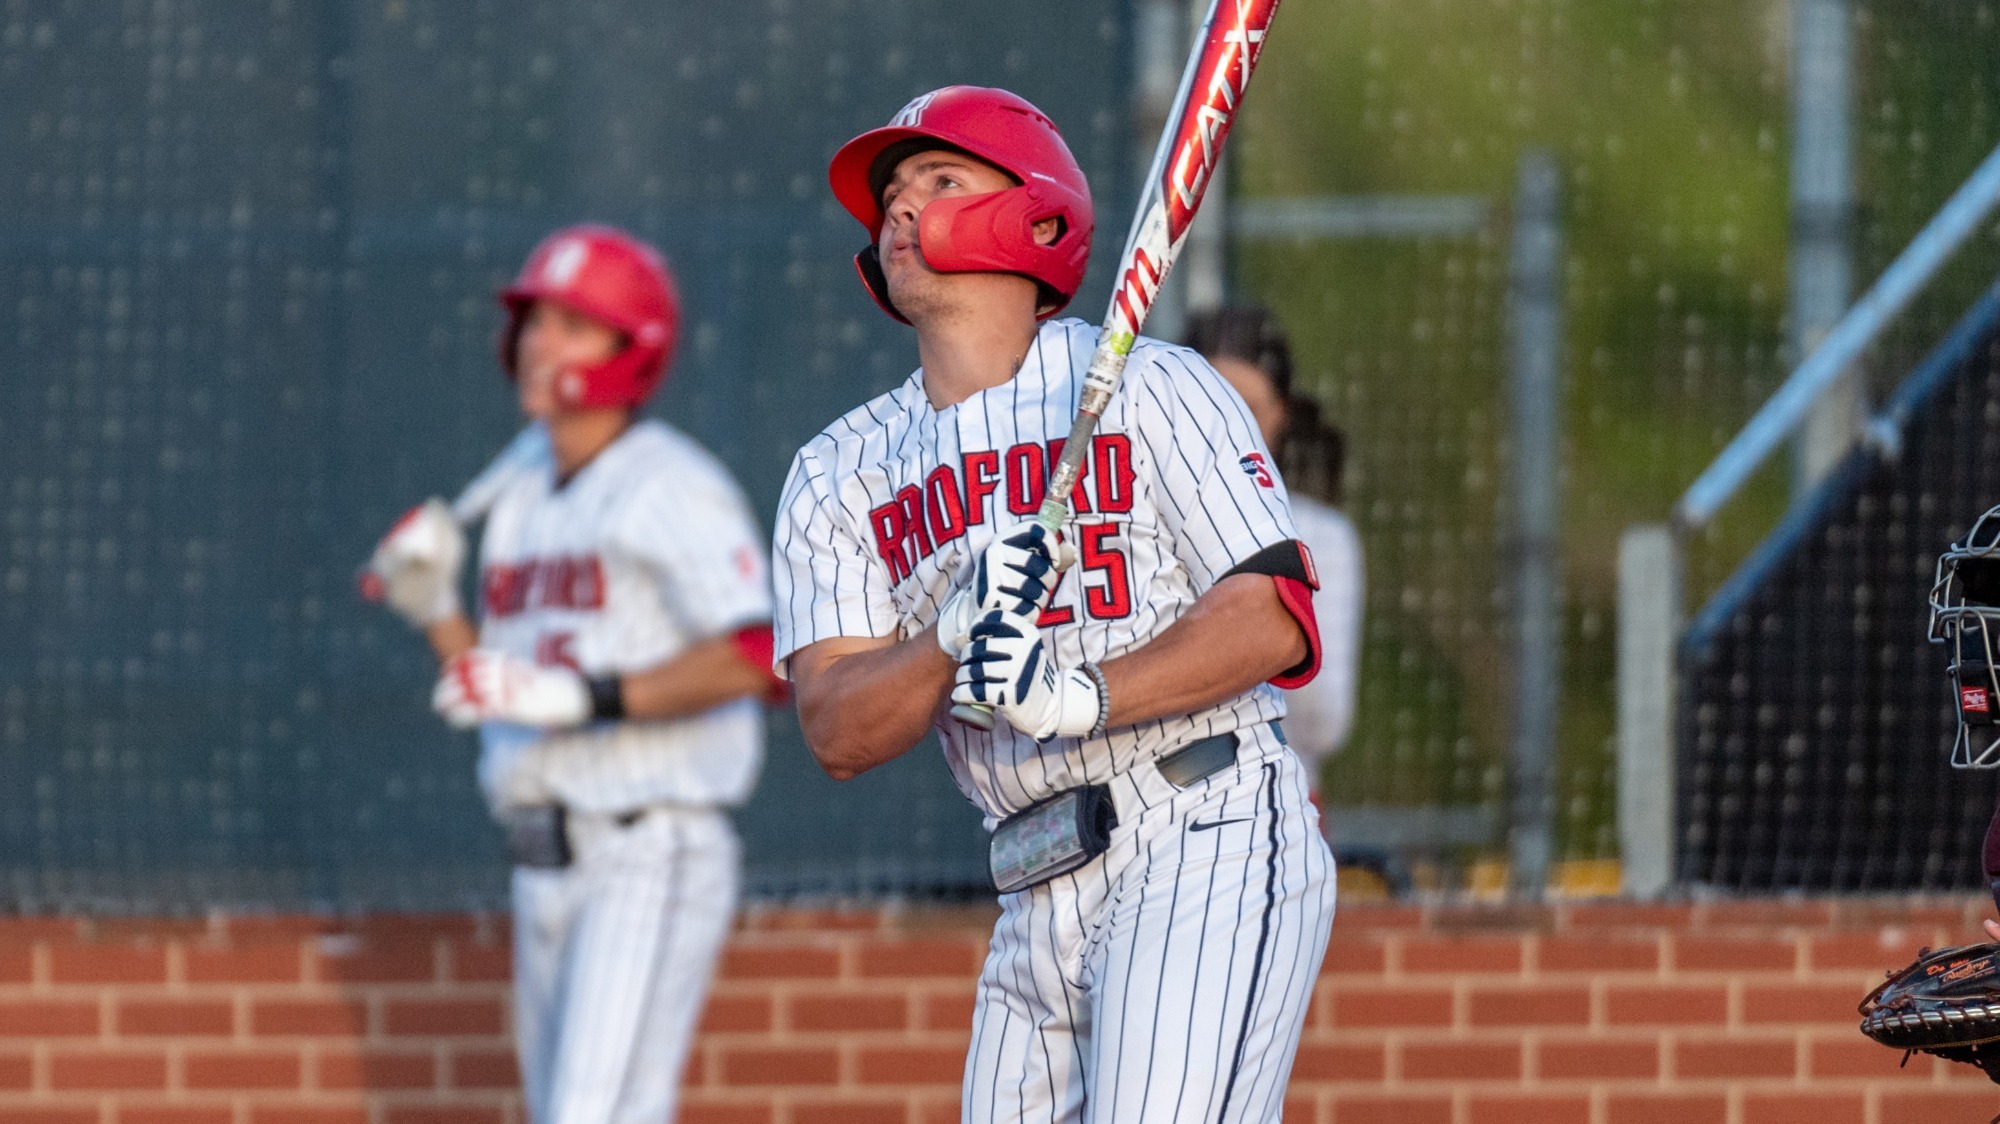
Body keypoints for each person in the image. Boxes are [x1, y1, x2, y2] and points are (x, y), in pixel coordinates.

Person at [772, 86, 1337, 1124]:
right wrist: (948, 632)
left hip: (1200, 820)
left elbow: (1270, 615)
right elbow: (837, 727)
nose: (901, 208)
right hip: (1035, 876)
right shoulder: (837, 470)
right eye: (891, 196)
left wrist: (1080, 694)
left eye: (940, 180)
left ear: (1035, 219)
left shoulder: (1155, 384)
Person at [361, 225, 780, 1124]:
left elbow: (758, 658)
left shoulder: (667, 482)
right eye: (535, 320)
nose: (539, 343)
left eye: (572, 325)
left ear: (632, 347)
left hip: (646, 840)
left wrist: (589, 697)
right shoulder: (520, 490)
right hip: (542, 852)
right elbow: (507, 694)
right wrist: (436, 611)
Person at [1187, 307, 1365, 797]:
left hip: (1282, 802)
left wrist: (1255, 624)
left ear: (1281, 414)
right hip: (1154, 814)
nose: (1226, 427)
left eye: (1247, 407)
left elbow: (1326, 726)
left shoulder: (1321, 536)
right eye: (1208, 405)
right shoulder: (1140, 525)